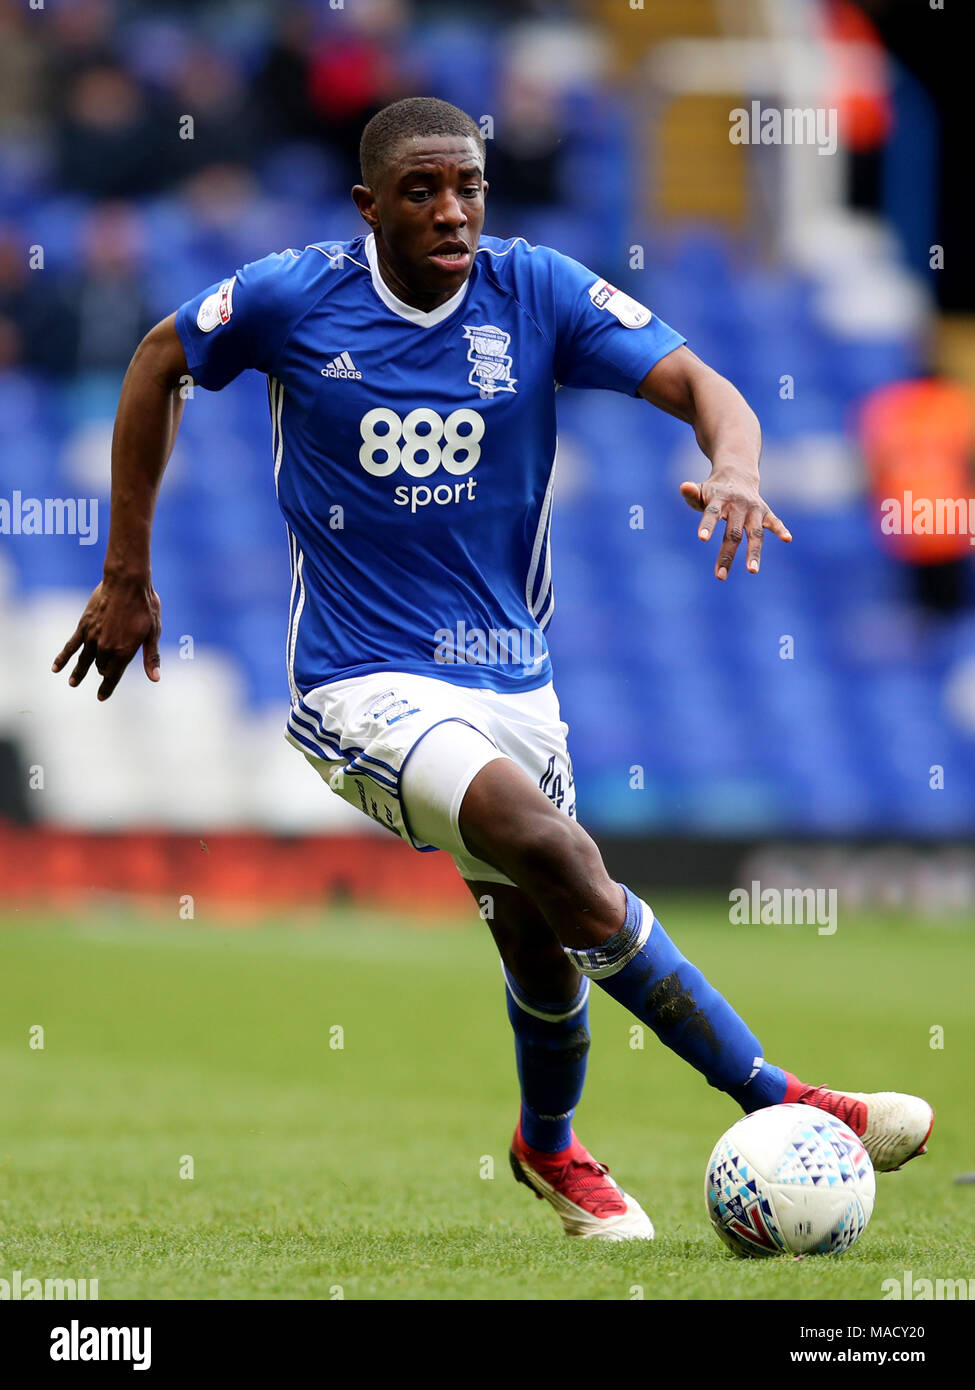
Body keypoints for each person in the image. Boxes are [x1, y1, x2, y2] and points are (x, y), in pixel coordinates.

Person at [53, 97, 933, 1240]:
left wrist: (738, 465)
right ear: (370, 206)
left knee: (546, 929)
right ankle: (786, 1095)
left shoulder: (540, 291)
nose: (453, 210)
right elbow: (159, 358)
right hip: (359, 683)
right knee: (558, 850)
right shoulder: (292, 296)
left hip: (516, 685)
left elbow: (705, 385)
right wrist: (127, 570)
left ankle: (548, 1144)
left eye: (468, 185)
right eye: (421, 190)